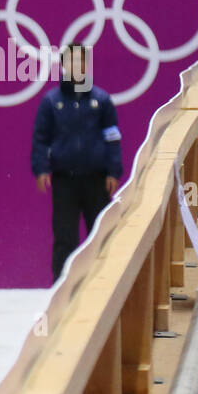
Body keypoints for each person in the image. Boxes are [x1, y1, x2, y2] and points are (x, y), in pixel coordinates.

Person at [31, 43, 122, 281]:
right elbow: (41, 138)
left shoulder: (101, 100)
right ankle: (61, 286)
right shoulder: (51, 101)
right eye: (71, 61)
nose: (76, 66)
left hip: (97, 179)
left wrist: (113, 170)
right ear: (63, 66)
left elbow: (112, 136)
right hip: (64, 180)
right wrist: (41, 169)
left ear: (86, 65)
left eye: (81, 61)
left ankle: (104, 282)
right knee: (64, 237)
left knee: (100, 233)